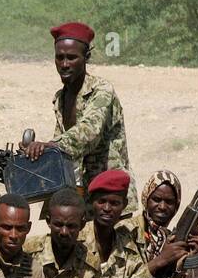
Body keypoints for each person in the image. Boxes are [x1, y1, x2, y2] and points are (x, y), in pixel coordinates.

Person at [23, 22, 135, 216]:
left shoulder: (102, 91)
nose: (64, 64)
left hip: (109, 200)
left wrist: (50, 146)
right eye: (60, 58)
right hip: (78, 201)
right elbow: (63, 155)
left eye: (72, 58)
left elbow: (90, 131)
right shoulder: (60, 98)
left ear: (86, 57)